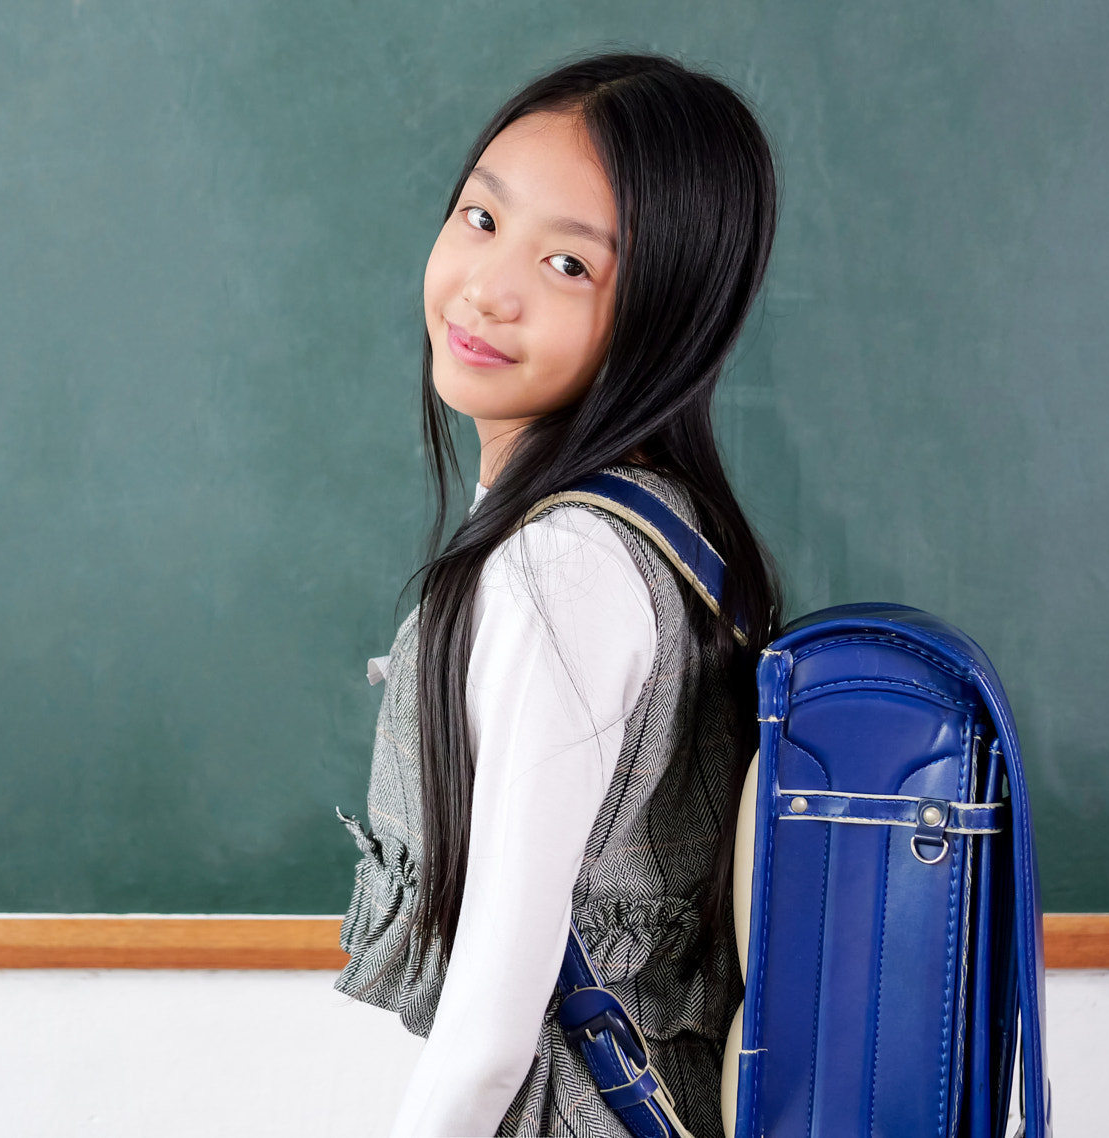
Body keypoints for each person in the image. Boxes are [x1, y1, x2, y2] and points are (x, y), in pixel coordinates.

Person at [334, 53, 784, 1137]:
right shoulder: (663, 528)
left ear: (662, 316)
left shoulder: (561, 570)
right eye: (481, 219)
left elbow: (493, 1030)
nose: (489, 288)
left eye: (569, 265)